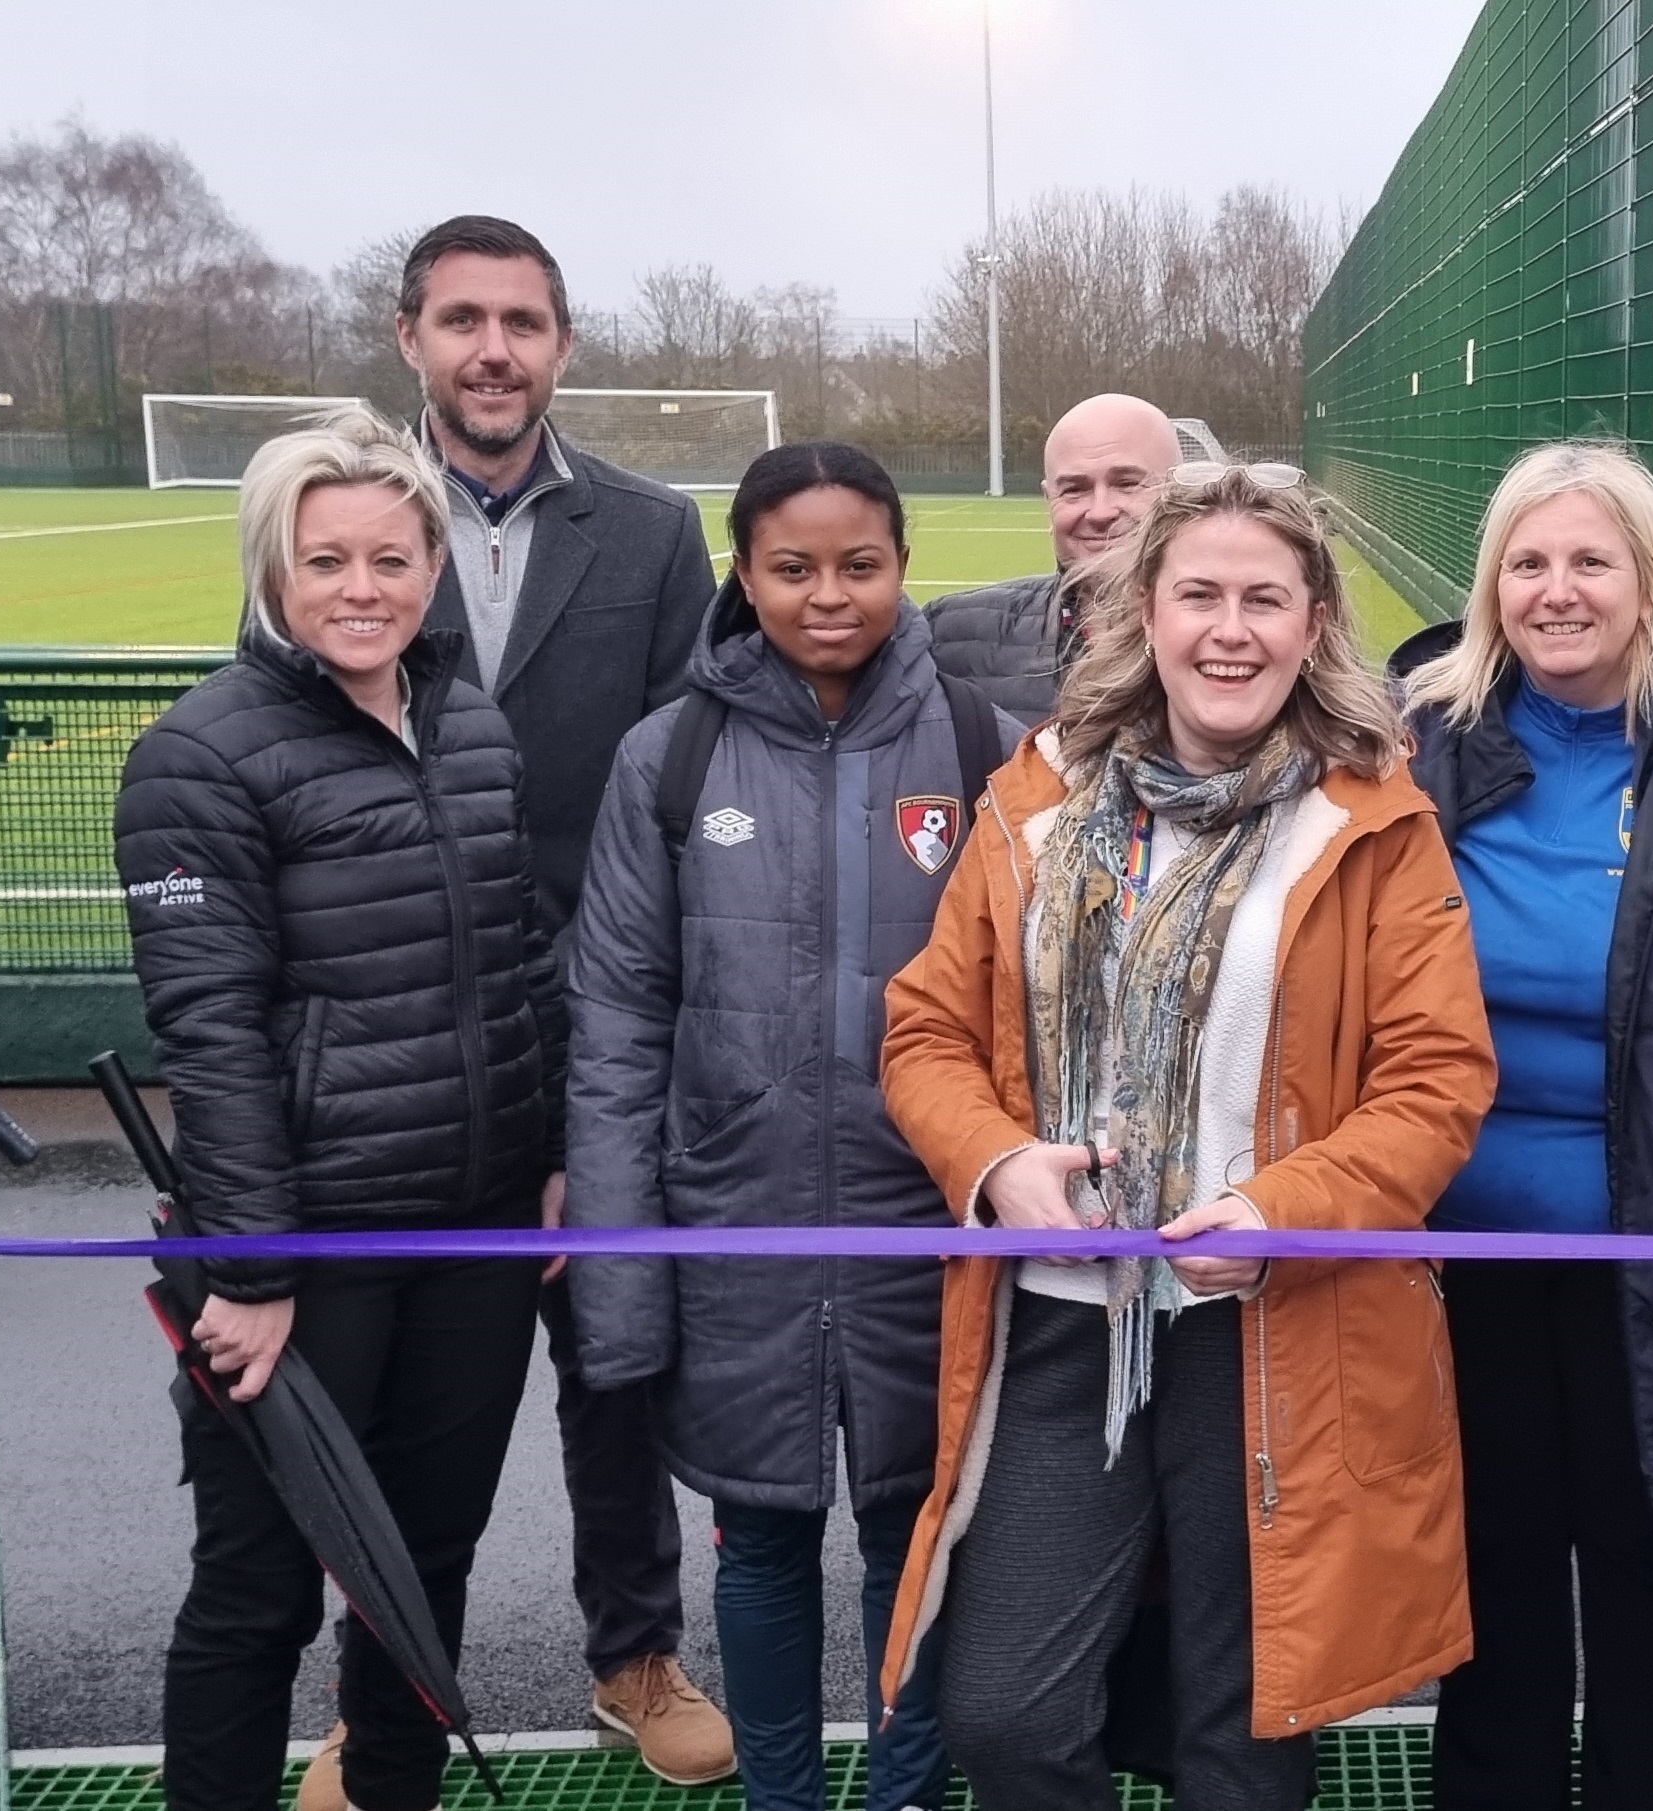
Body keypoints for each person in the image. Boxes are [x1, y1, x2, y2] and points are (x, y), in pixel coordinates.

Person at [874, 464, 1498, 1810]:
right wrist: (994, 1158)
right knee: (1005, 1714)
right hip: (1059, 1312)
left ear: (1313, 619)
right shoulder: (1034, 795)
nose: (1231, 627)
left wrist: (1285, 1204)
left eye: (1263, 597)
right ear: (1142, 612)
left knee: (1244, 1728)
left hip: (1271, 1328)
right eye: (1199, 593)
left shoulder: (1374, 818)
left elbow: (1436, 1078)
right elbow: (925, 1030)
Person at [114, 404, 562, 1811]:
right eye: (326, 560)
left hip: (475, 1229)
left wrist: (546, 1151)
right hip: (303, 1247)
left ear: (434, 561)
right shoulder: (197, 756)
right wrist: (249, 1266)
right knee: (259, 1591)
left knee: (419, 1572)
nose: (362, 587)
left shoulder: (468, 715)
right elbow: (214, 1028)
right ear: (274, 570)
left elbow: (520, 947)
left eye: (390, 555)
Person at [562, 441, 1011, 1811]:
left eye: (859, 564)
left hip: (920, 1227)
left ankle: (903, 1791)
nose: (829, 594)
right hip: (736, 1222)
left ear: (901, 566)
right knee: (758, 1541)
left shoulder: (985, 744)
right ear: (744, 575)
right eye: (793, 567)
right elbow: (620, 1018)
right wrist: (624, 1269)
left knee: (911, 1536)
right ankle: (781, 1794)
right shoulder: (672, 752)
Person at [388, 213, 728, 1791]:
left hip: (597, 1033)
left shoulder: (657, 535)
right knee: (412, 1399)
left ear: (563, 343)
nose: (493, 348)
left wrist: (619, 1049)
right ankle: (385, 1691)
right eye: (463, 318)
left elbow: (676, 800)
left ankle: (636, 1656)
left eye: (522, 319)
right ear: (413, 339)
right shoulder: (347, 522)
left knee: (615, 1367)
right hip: (412, 1043)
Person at [1393, 443, 1653, 1811]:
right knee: (1491, 1583)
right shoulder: (1422, 739)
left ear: (1650, 575)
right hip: (1457, 1254)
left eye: (1590, 559)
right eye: (1527, 563)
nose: (1557, 590)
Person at [922, 392, 1183, 720]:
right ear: (1049, 500)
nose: (1100, 512)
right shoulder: (948, 636)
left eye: (1128, 483)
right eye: (1074, 489)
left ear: (1178, 493)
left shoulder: (1235, 640)